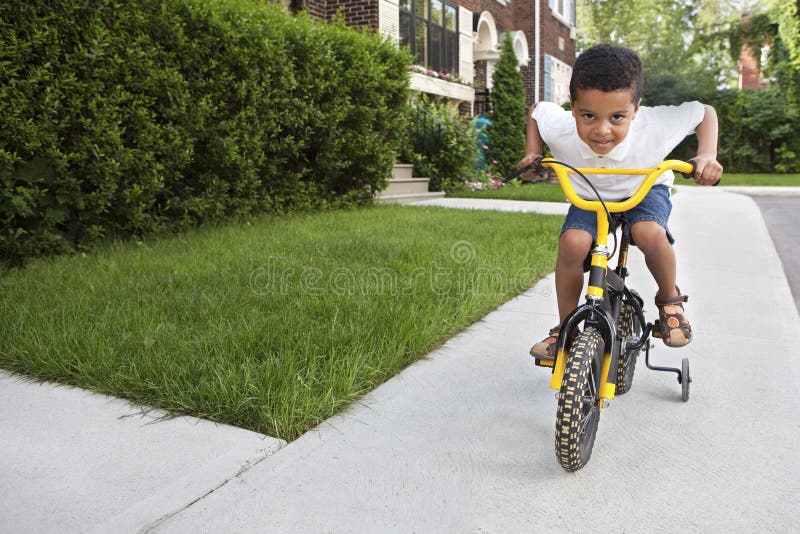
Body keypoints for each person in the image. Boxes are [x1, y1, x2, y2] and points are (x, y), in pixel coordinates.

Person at [518, 44, 723, 360]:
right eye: (588, 115)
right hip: (590, 193)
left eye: (617, 117)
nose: (602, 130)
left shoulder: (656, 127)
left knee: (648, 233)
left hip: (643, 189)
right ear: (572, 107)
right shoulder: (561, 129)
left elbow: (704, 113)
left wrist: (707, 155)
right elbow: (536, 111)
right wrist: (533, 153)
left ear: (636, 109)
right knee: (572, 243)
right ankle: (566, 327)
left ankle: (670, 299)